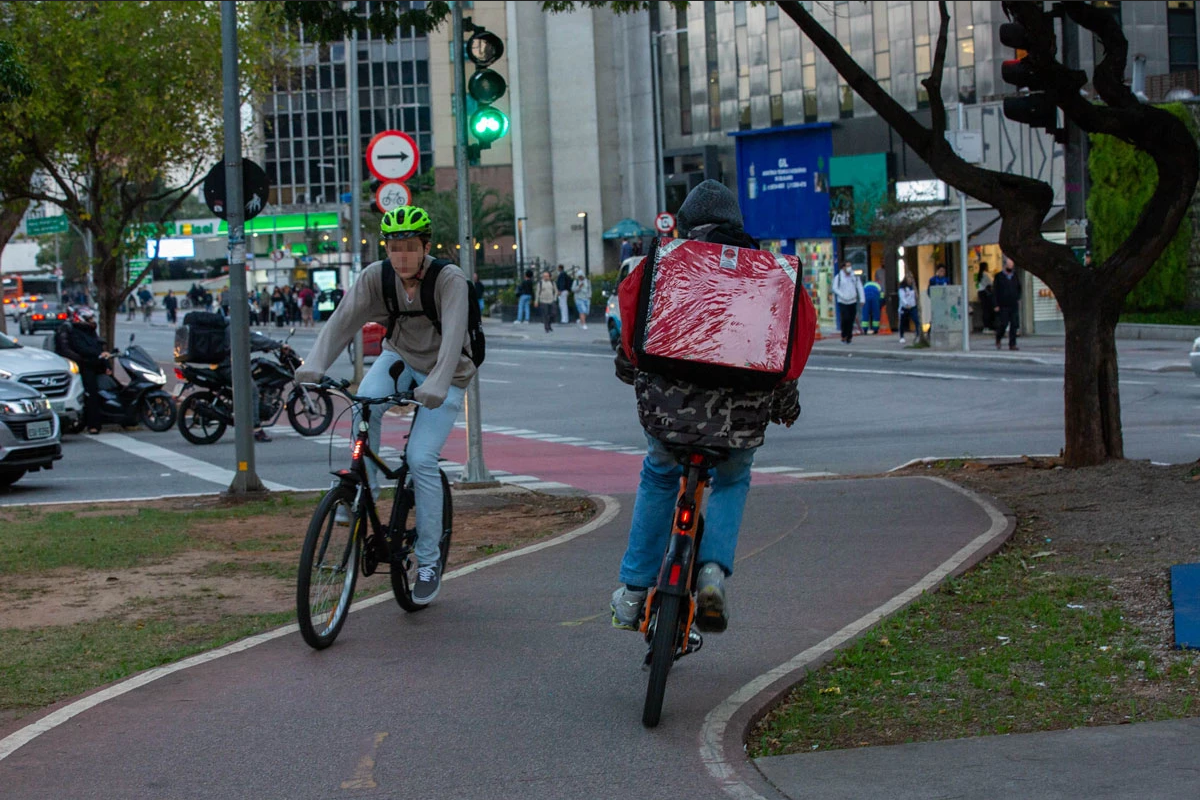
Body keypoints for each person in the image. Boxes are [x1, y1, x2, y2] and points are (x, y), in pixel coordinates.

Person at [610, 179, 802, 634]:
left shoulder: (665, 264)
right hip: (739, 423)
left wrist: (631, 372)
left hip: (668, 417)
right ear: (737, 224)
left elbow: (632, 346)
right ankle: (712, 571)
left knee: (659, 476)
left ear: (687, 223)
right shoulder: (767, 275)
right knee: (733, 478)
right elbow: (782, 358)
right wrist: (785, 407)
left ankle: (634, 591)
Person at [296, 205, 475, 606]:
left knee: (421, 458)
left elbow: (452, 342)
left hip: (448, 372)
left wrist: (437, 385)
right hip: (400, 358)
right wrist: (313, 366)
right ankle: (364, 490)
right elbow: (342, 321)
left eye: (410, 247)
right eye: (394, 248)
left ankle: (428, 562)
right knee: (363, 404)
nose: (402, 257)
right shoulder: (376, 277)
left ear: (426, 247)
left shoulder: (449, 280)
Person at [54, 307, 110, 435]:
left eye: (92, 318)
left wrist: (106, 365)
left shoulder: (91, 331)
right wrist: (98, 355)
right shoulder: (75, 332)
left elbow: (98, 347)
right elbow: (83, 349)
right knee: (91, 395)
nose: (92, 321)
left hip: (96, 364)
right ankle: (93, 424)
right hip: (86, 366)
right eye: (89, 318)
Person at [832, 260, 864, 344]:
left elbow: (859, 287)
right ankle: (844, 335)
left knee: (851, 319)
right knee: (845, 318)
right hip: (843, 301)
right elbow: (835, 288)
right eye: (847, 266)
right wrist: (842, 295)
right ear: (843, 267)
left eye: (850, 265)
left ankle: (849, 336)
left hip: (852, 301)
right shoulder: (838, 277)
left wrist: (862, 299)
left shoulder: (854, 277)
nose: (849, 268)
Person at [993, 256, 1022, 351]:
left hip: (1013, 304)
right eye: (1009, 264)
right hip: (1003, 304)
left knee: (1014, 324)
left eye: (1012, 265)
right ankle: (998, 337)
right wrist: (996, 304)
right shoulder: (999, 277)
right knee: (1004, 323)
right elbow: (995, 291)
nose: (1011, 266)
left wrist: (1018, 298)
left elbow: (1018, 287)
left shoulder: (1015, 276)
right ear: (1005, 265)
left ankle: (1012, 344)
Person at [898, 274, 920, 345]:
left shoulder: (913, 287)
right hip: (904, 307)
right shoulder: (902, 288)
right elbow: (902, 297)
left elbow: (915, 296)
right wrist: (906, 304)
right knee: (902, 322)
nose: (910, 280)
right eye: (909, 278)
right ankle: (901, 336)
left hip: (913, 306)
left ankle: (918, 334)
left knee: (916, 320)